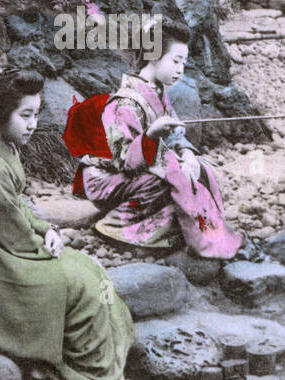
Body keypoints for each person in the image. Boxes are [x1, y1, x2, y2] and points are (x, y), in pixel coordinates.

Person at [0, 67, 140, 380]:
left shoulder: (4, 151)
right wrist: (43, 246)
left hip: (13, 244)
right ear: (0, 114)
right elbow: (10, 230)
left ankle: (106, 363)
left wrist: (50, 230)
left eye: (36, 115)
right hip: (2, 261)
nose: (32, 124)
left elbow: (20, 210)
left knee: (90, 268)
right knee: (80, 285)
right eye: (25, 115)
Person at [78, 18, 244, 259]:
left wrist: (187, 154)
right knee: (166, 181)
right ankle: (114, 227)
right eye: (176, 61)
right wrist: (151, 135)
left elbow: (176, 134)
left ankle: (203, 231)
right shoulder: (124, 102)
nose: (180, 69)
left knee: (198, 170)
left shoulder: (158, 91)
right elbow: (122, 159)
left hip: (139, 169)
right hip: (107, 177)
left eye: (184, 63)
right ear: (153, 55)